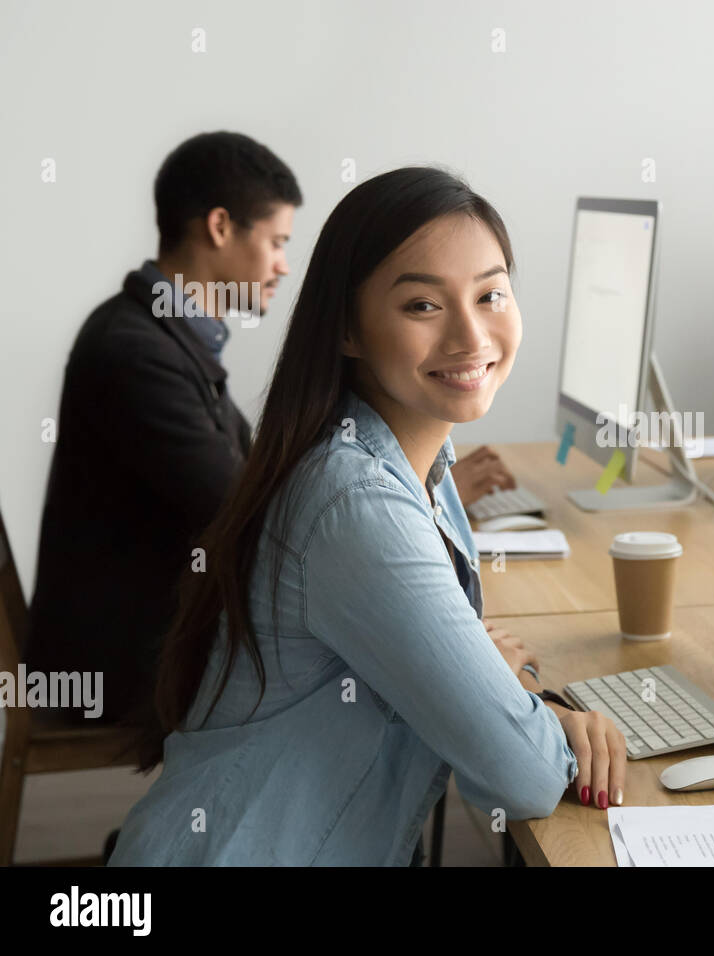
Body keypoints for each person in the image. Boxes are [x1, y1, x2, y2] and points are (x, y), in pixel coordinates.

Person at [109, 167, 624, 866]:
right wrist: (524, 705)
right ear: (348, 329)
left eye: (491, 293)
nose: (472, 336)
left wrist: (507, 693)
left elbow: (468, 680)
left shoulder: (415, 468)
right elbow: (522, 778)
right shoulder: (355, 503)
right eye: (422, 306)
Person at [24, 131, 301, 725]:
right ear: (221, 226)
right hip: (115, 666)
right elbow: (241, 510)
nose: (283, 265)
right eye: (277, 241)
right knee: (349, 669)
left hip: (139, 637)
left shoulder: (167, 335)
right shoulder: (135, 351)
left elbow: (251, 477)